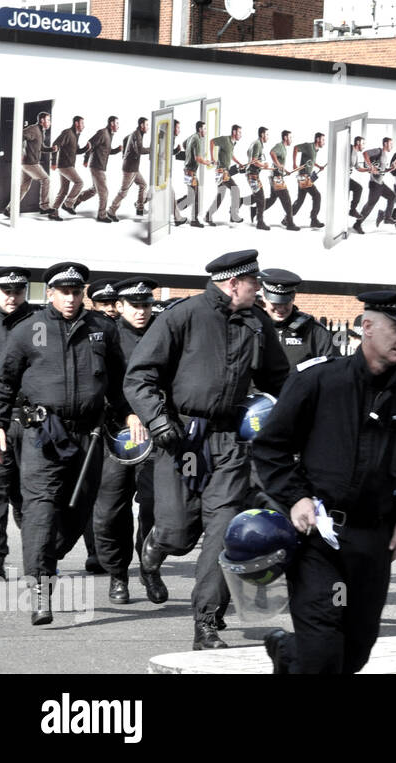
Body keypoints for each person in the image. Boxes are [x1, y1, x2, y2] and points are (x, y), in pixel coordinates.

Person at [254, 290, 396, 674]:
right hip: (317, 535)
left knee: (354, 652)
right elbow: (270, 447)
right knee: (323, 648)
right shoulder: (319, 380)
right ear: (368, 327)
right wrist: (295, 498)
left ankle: (287, 653)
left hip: (373, 539)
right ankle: (303, 655)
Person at [123, 250, 289, 649]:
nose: (261, 292)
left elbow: (281, 379)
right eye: (254, 284)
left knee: (223, 535)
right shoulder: (182, 316)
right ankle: (156, 544)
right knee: (179, 533)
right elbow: (140, 376)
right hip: (181, 438)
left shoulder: (257, 322)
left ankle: (207, 623)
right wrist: (158, 419)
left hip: (230, 444)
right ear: (233, 283)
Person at [0, 262, 125, 624]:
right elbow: (2, 381)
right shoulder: (27, 329)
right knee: (41, 508)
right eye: (63, 291)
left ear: (84, 293)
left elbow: (118, 382)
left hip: (88, 436)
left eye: (76, 291)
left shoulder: (103, 329)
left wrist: (129, 415)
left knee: (77, 511)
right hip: (43, 433)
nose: (70, 297)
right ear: (49, 293)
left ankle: (48, 554)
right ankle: (40, 587)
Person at [91, 277, 159, 604]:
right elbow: (97, 382)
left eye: (146, 304)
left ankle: (149, 566)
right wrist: (123, 413)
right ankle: (118, 575)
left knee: (154, 510)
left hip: (156, 437)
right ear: (119, 307)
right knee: (109, 513)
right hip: (117, 436)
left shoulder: (164, 334)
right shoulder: (106, 336)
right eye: (135, 305)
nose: (142, 311)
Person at [0, 266, 42, 579]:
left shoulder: (40, 322)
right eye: (5, 290)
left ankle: (37, 559)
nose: (12, 296)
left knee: (31, 493)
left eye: (18, 290)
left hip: (33, 419)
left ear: (25, 291)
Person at [257, 268, 337, 369]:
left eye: (285, 303)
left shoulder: (314, 331)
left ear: (293, 297)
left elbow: (330, 371)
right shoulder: (253, 326)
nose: (281, 309)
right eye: (275, 303)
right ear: (264, 296)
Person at [78, 115, 123, 223]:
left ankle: (76, 200)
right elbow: (90, 144)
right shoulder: (103, 133)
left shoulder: (109, 135)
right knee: (104, 192)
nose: (118, 126)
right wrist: (85, 159)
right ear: (111, 123)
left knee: (94, 190)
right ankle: (102, 215)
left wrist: (117, 149)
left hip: (100, 166)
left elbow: (107, 151)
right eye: (117, 123)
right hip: (96, 166)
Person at [17, 111, 60, 220]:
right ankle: (44, 206)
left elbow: (41, 147)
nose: (50, 122)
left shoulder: (41, 131)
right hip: (30, 163)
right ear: (42, 121)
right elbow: (19, 135)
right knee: (46, 179)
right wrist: (21, 152)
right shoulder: (33, 129)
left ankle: (9, 209)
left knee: (23, 188)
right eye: (48, 120)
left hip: (27, 164)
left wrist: (51, 149)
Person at [108, 116, 150, 220]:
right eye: (147, 125)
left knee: (143, 185)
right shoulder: (137, 135)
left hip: (134, 168)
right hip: (130, 169)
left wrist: (124, 154)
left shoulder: (136, 134)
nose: (148, 127)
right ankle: (111, 211)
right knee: (123, 191)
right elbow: (139, 150)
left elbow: (125, 139)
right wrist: (151, 149)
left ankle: (139, 207)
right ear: (141, 125)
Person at [351, 137, 395, 235]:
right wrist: (370, 166)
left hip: (381, 184)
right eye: (390, 144)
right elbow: (365, 153)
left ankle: (387, 217)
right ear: (385, 144)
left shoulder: (384, 155)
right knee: (369, 206)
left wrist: (390, 169)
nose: (392, 146)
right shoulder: (378, 150)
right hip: (375, 185)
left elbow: (381, 170)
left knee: (392, 196)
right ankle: (357, 224)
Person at [205, 124, 247, 226]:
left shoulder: (233, 143)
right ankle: (233, 215)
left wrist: (239, 163)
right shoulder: (225, 139)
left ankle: (208, 216)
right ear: (234, 132)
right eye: (239, 132)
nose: (241, 134)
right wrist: (212, 158)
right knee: (235, 189)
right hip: (221, 171)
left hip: (225, 171)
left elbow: (230, 154)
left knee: (220, 196)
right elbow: (212, 141)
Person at [174, 120, 213, 228]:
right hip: (191, 173)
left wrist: (189, 153)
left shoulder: (192, 137)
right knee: (195, 196)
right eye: (204, 128)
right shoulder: (197, 140)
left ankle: (174, 206)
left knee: (192, 196)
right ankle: (194, 220)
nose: (206, 131)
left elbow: (184, 144)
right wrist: (207, 162)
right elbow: (198, 158)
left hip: (187, 171)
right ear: (200, 129)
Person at [50, 115, 88, 216]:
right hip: (65, 165)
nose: (84, 126)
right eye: (82, 123)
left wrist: (86, 148)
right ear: (76, 123)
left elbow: (76, 151)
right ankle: (68, 204)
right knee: (79, 182)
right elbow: (55, 144)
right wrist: (53, 162)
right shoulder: (67, 133)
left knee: (63, 191)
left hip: (68, 165)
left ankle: (53, 212)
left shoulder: (76, 135)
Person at [290, 132, 326, 229]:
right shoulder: (308, 146)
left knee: (300, 200)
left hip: (307, 176)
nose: (324, 142)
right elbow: (296, 148)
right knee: (317, 195)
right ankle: (314, 220)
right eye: (323, 140)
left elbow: (310, 161)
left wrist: (319, 166)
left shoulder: (316, 149)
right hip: (303, 176)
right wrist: (294, 163)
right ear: (317, 139)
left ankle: (287, 219)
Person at [245, 126, 277, 231]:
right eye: (267, 134)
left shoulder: (255, 143)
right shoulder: (258, 144)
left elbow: (249, 154)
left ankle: (255, 214)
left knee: (259, 197)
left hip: (253, 174)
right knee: (261, 199)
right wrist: (263, 165)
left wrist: (262, 165)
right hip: (252, 175)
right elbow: (254, 160)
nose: (268, 136)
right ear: (262, 134)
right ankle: (260, 222)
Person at [348, 136, 370, 218]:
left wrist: (368, 169)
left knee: (358, 188)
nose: (364, 146)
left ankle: (352, 210)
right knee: (358, 188)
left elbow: (357, 167)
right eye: (363, 143)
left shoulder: (356, 154)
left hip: (347, 178)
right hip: (342, 178)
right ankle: (352, 210)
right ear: (358, 143)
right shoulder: (349, 148)